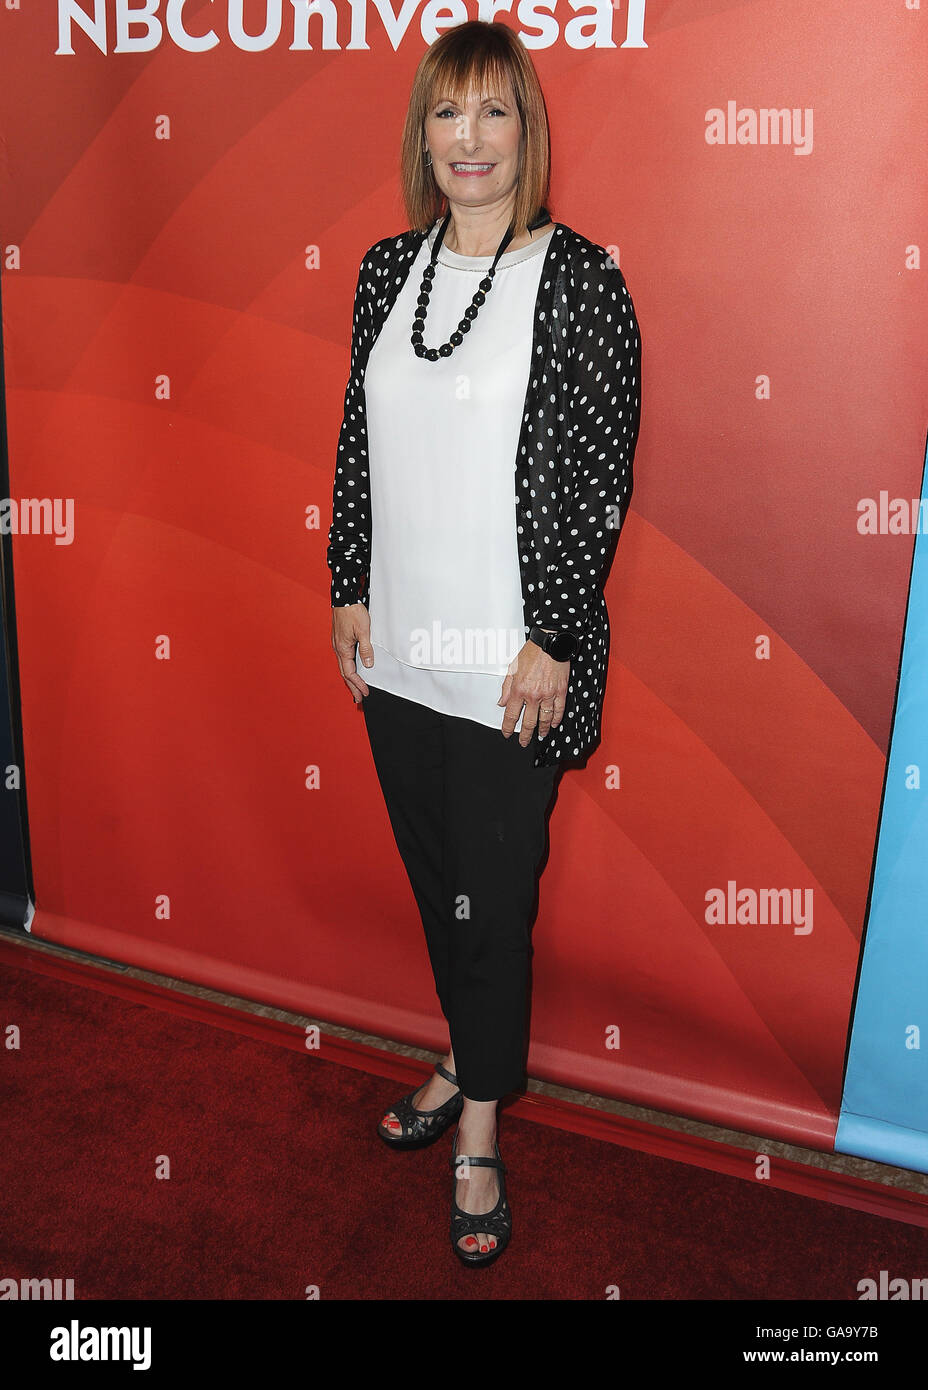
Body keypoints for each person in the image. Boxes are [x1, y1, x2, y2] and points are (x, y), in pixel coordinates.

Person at [327, 18, 642, 1267]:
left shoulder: (578, 279)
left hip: (511, 668)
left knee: (494, 904)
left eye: (492, 113)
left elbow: (597, 472)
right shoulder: (380, 272)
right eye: (446, 114)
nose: (468, 139)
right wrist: (347, 584)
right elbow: (356, 443)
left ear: (527, 130)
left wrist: (555, 637)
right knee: (435, 878)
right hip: (397, 652)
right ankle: (462, 1056)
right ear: (424, 133)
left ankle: (480, 1138)